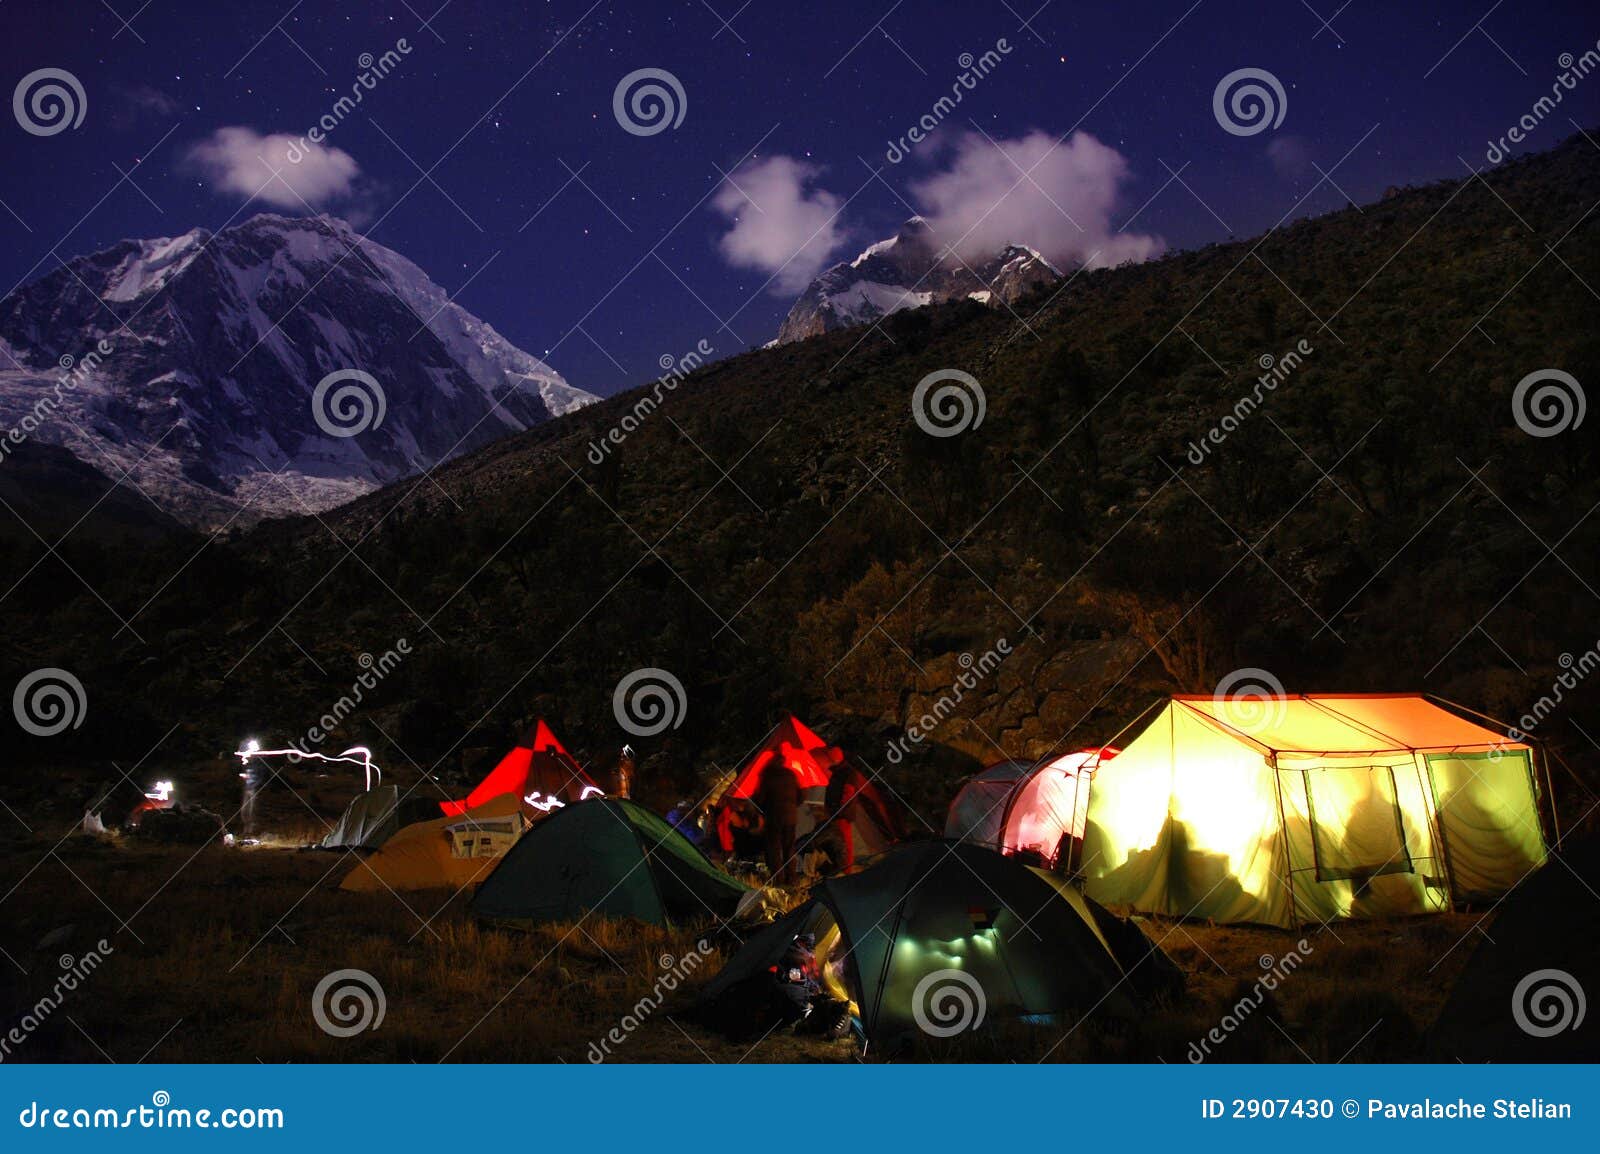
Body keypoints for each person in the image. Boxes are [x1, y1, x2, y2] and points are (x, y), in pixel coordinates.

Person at [756, 756, 801, 884]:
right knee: (789, 847)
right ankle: (791, 878)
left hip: (773, 816)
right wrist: (793, 805)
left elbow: (760, 798)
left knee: (774, 848)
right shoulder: (791, 774)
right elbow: (802, 795)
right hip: (791, 817)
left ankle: (778, 879)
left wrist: (761, 808)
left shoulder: (767, 776)